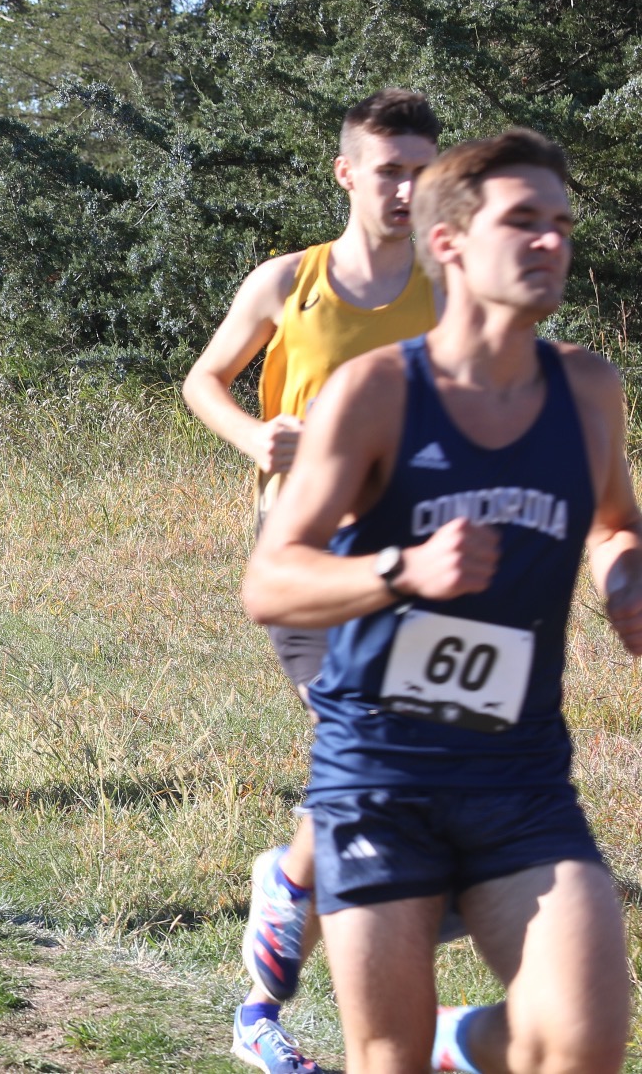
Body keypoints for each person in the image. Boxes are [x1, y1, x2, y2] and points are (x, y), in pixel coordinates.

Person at [242, 128, 639, 1074]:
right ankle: (433, 1044)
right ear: (451, 242)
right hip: (379, 774)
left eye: (561, 224)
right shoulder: (377, 392)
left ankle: (463, 1038)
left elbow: (615, 522)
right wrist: (402, 573)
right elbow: (273, 580)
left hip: (522, 774)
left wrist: (625, 578)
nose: (550, 242)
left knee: (582, 1043)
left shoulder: (587, 388)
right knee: (389, 1059)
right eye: (522, 222)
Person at [181, 89, 441, 1074]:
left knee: (390, 765)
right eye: (387, 170)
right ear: (346, 173)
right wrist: (255, 434)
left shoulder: (443, 284)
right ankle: (264, 1003)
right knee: (366, 742)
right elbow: (202, 377)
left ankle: (292, 879)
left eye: (421, 170)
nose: (405, 189)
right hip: (300, 559)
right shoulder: (288, 282)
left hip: (407, 561)